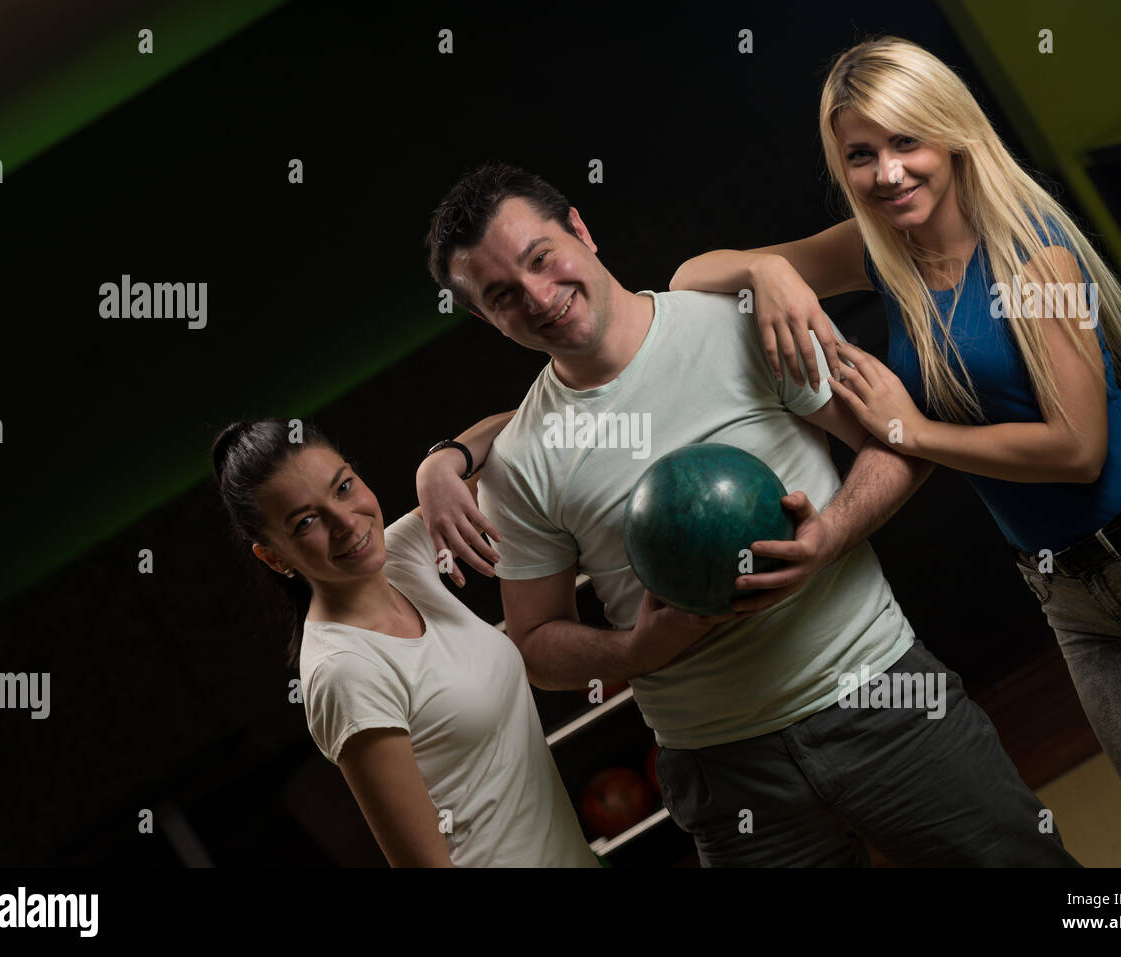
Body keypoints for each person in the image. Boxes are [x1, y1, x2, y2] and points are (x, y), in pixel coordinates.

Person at [670, 36, 1121, 867]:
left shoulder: (1032, 249)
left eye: (907, 142)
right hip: (1069, 598)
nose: (889, 173)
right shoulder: (881, 251)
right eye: (861, 154)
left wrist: (910, 431)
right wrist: (769, 267)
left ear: (949, 134)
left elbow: (1078, 448)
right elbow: (691, 277)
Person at [419, 161, 1080, 866]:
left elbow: (898, 442)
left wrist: (829, 536)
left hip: (885, 699)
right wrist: (635, 652)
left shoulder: (736, 323)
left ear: (580, 229)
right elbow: (536, 638)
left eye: (541, 259)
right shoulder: (519, 460)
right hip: (722, 774)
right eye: (502, 296)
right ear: (487, 318)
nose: (539, 296)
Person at [210, 418, 598, 867]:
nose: (346, 522)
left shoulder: (399, 556)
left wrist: (437, 466)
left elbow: (535, 418)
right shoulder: (344, 670)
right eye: (306, 522)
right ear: (274, 557)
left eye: (343, 487)